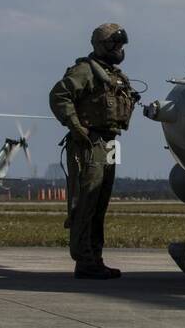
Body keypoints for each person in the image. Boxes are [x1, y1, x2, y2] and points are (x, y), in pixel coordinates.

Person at [49, 23, 139, 280]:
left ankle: (95, 258)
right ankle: (85, 260)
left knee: (100, 202)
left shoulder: (113, 74)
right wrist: (76, 127)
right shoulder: (85, 71)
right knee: (86, 201)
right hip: (90, 144)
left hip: (109, 143)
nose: (120, 49)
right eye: (116, 44)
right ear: (102, 45)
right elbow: (59, 95)